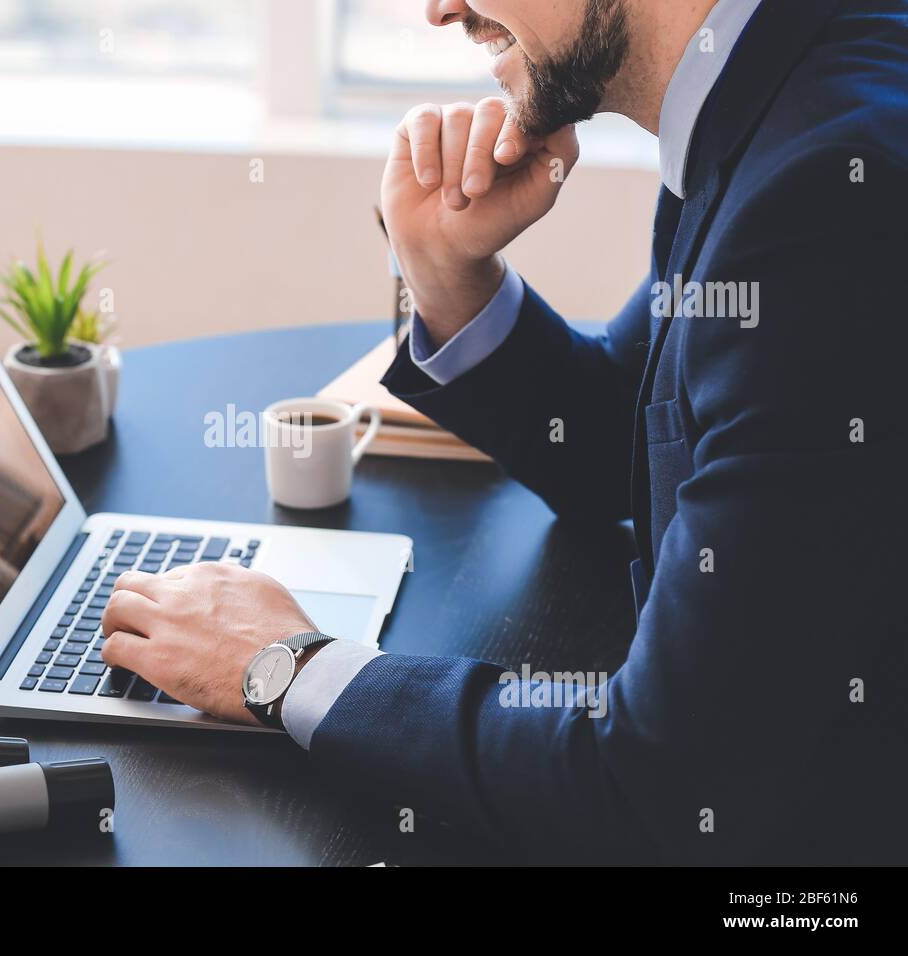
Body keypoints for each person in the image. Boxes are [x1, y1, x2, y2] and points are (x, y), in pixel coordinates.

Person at [100, 0, 908, 863]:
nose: (439, 9)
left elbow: (666, 781)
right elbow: (630, 450)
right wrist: (449, 276)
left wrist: (289, 670)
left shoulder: (827, 194)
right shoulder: (784, 83)